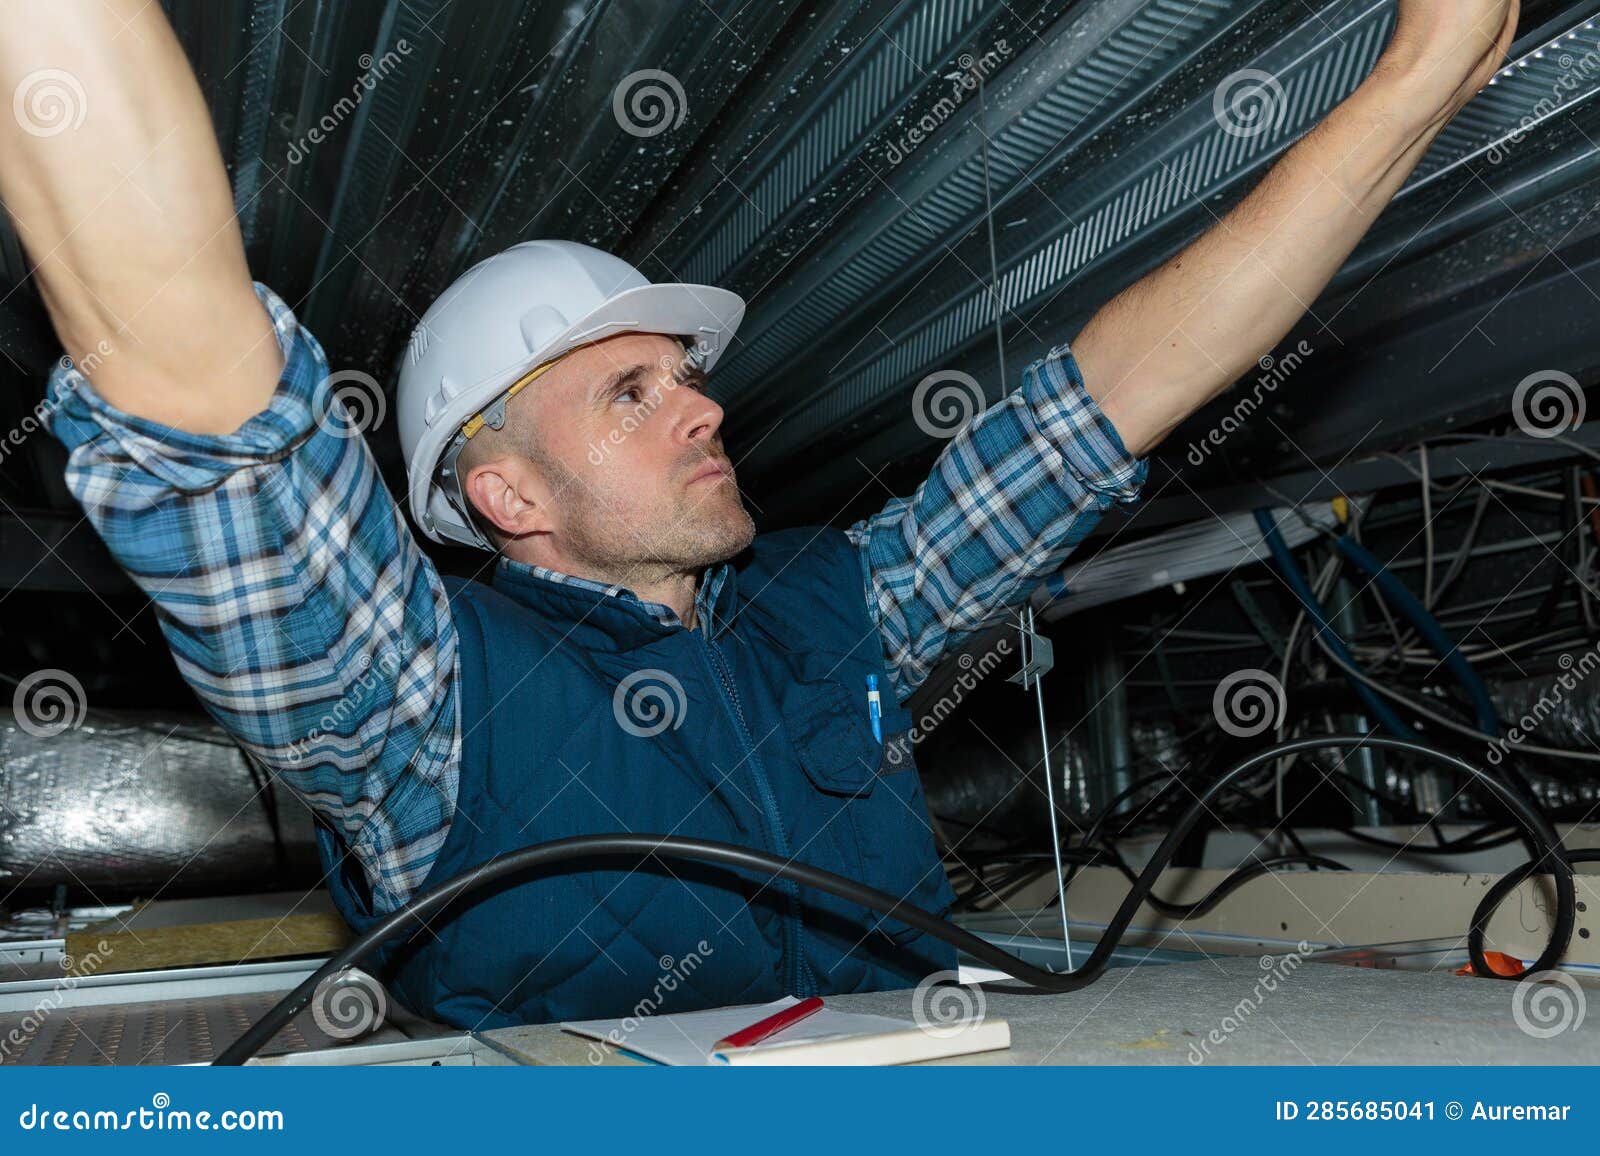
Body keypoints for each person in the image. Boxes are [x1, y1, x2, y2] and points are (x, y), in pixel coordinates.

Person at [1, 0, 1518, 1028]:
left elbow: (1113, 398)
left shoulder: (840, 608)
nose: (705, 406)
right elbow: (206, 412)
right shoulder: (418, 702)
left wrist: (1418, 77)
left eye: (688, 377)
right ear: (503, 494)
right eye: (629, 393)